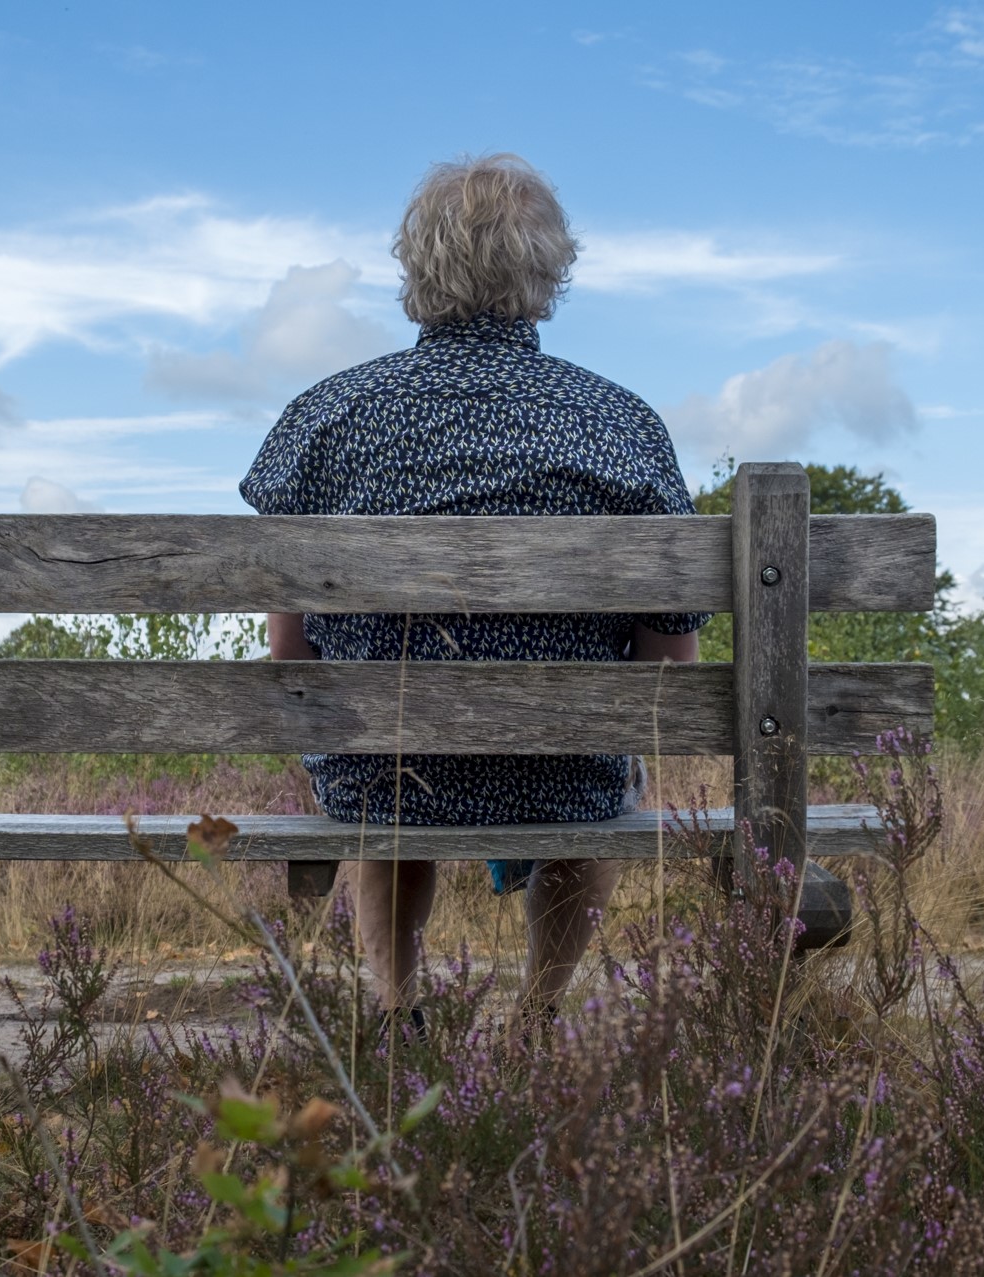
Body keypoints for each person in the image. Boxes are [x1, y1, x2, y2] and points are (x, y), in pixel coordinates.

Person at [239, 153, 705, 1031]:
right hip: (564, 774)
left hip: (382, 777)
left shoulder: (325, 417)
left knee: (377, 758)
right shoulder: (621, 425)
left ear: (415, 266)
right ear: (548, 272)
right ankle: (536, 1015)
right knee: (602, 767)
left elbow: (289, 656)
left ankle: (398, 1007)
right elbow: (666, 669)